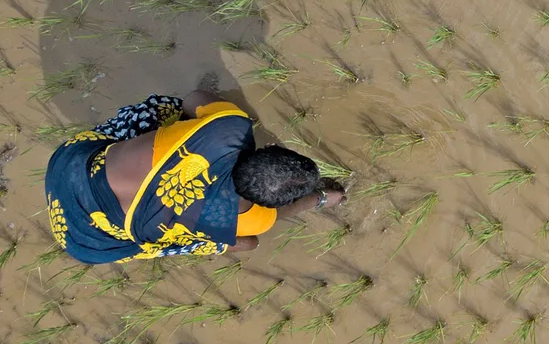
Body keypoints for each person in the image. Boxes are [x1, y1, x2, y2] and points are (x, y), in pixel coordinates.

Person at [43, 90, 345, 264]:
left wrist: (198, 123)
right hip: (86, 239)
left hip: (70, 165)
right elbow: (273, 216)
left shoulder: (228, 127)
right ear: (260, 203)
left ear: (270, 147)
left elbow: (193, 97)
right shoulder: (249, 217)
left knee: (168, 110)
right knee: (247, 243)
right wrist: (319, 198)